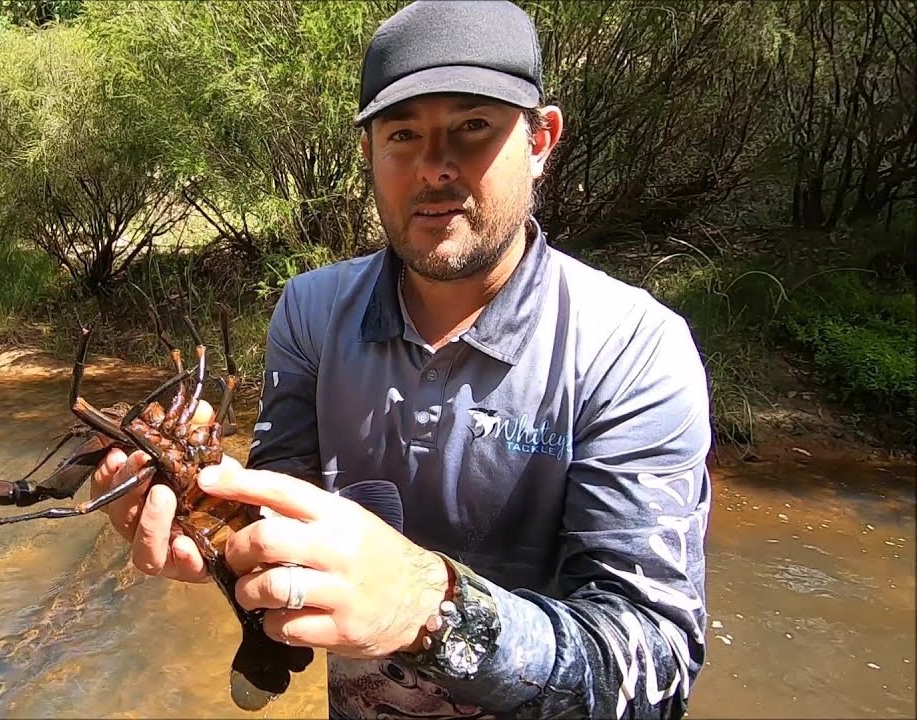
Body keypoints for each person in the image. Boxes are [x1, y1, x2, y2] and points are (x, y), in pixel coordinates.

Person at [90, 1, 712, 718]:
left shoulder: (634, 348)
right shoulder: (311, 311)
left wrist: (429, 608)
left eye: (473, 127)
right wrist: (209, 526)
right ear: (369, 152)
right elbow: (279, 513)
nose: (433, 167)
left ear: (541, 139)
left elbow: (654, 666)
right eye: (403, 134)